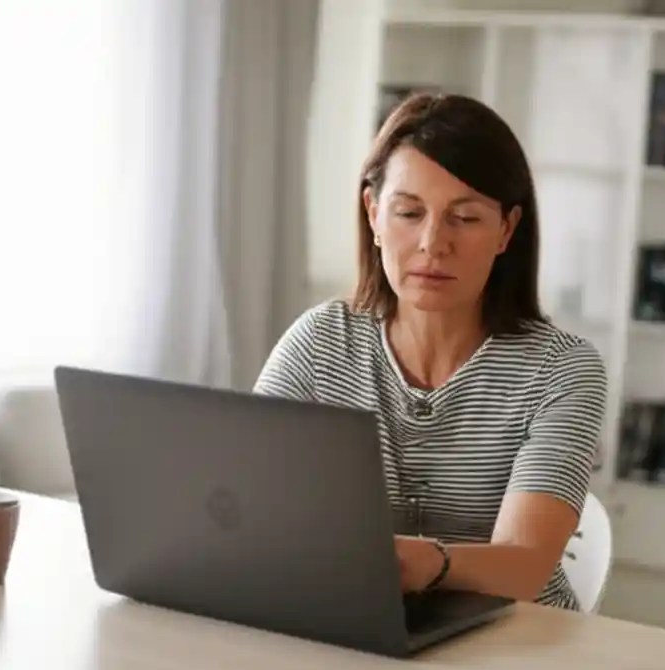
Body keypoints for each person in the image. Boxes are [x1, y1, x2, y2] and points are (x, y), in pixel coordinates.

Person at [253, 94, 607, 610]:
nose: (432, 243)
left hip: (518, 644)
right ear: (374, 214)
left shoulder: (563, 371)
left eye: (464, 218)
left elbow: (525, 563)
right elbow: (250, 499)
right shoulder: (320, 343)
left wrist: (426, 564)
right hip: (355, 627)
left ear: (506, 230)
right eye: (409, 212)